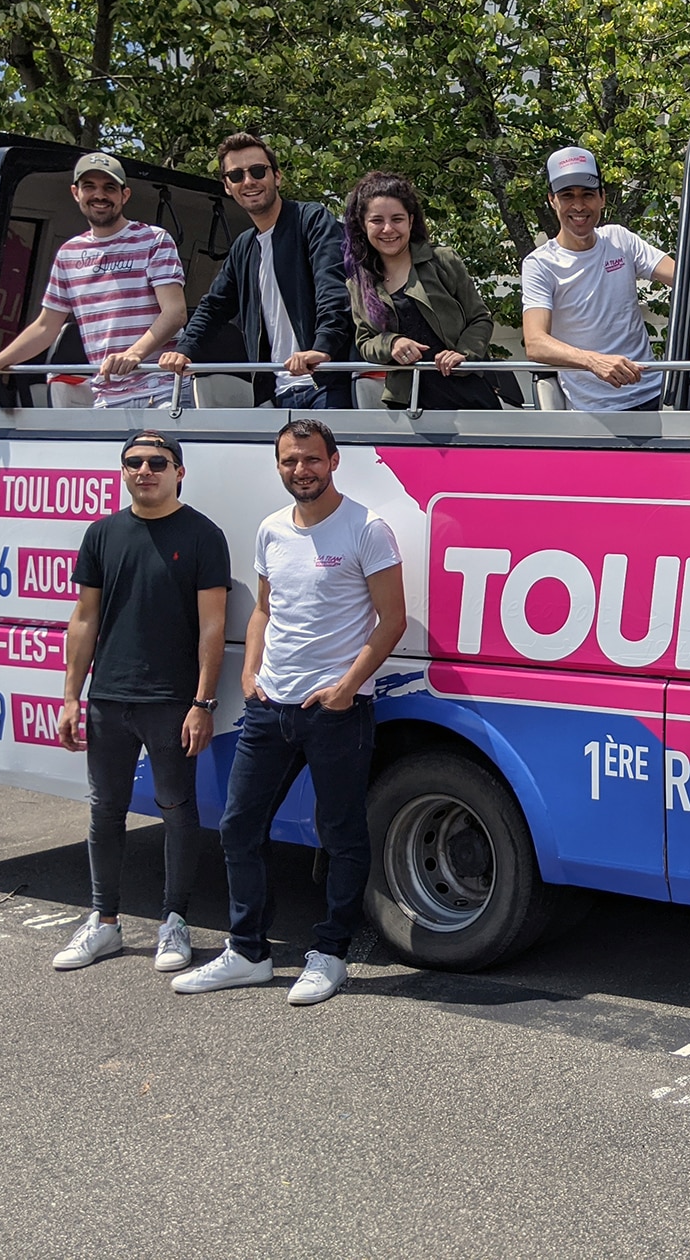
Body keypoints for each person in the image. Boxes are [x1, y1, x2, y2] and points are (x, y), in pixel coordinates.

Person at [172, 419, 405, 1006]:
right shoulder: (272, 529)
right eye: (288, 462)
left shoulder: (367, 529)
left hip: (335, 712)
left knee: (341, 835)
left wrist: (349, 686)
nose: (300, 470)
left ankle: (330, 954)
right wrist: (250, 674)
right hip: (268, 709)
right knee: (237, 827)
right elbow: (263, 610)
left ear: (333, 460)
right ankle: (248, 952)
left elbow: (392, 619)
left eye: (310, 459)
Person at [51, 431, 230, 974]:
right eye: (134, 462)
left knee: (177, 809)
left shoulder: (203, 535)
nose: (145, 470)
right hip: (109, 697)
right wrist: (70, 697)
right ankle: (103, 923)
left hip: (172, 701)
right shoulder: (102, 534)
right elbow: (84, 620)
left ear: (179, 471)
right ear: (122, 471)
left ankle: (173, 921)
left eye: (157, 462)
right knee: (104, 811)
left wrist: (203, 701)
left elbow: (213, 627)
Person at [0, 153, 186, 411]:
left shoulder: (154, 239)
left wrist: (134, 354)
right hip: (107, 399)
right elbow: (45, 327)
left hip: (161, 390)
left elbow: (175, 313)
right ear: (75, 193)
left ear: (124, 195)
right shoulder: (68, 253)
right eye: (89, 187)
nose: (100, 195)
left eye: (109, 188)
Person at [160, 133, 354, 408]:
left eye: (258, 171)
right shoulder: (244, 247)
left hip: (326, 385)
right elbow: (213, 306)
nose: (248, 181)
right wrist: (185, 350)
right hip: (274, 394)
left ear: (277, 176)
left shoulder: (310, 220)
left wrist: (322, 348)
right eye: (236, 175)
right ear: (227, 186)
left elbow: (332, 289)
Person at [343, 171, 516, 410]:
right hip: (408, 404)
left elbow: (480, 318)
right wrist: (391, 343)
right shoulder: (358, 283)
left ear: (411, 221)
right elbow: (364, 342)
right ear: (363, 225)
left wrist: (463, 353)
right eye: (376, 221)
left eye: (397, 219)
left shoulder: (442, 260)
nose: (387, 229)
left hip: (468, 393)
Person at [520, 145, 676, 411]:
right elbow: (535, 343)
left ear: (602, 198)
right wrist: (593, 361)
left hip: (653, 395)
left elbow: (689, 282)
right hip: (593, 412)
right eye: (567, 195)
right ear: (552, 200)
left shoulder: (620, 239)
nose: (579, 205)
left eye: (588, 194)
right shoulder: (539, 264)